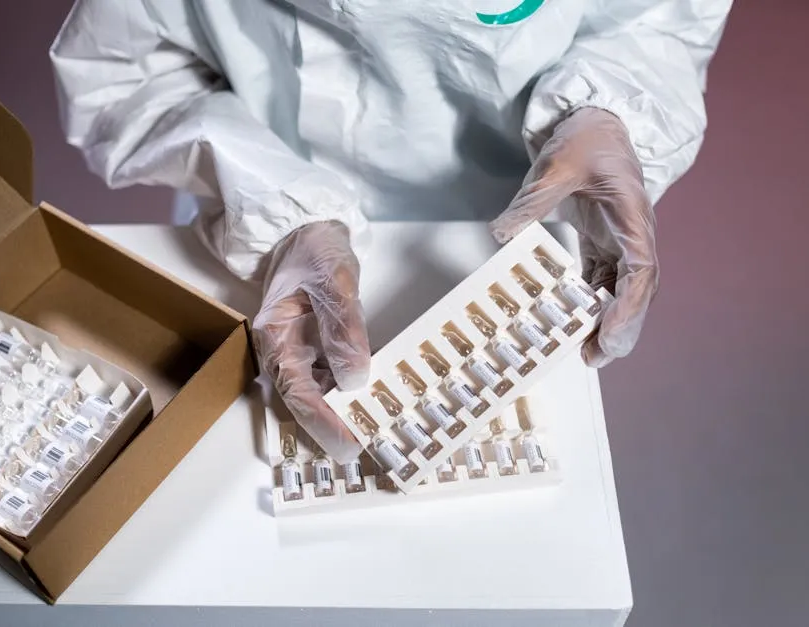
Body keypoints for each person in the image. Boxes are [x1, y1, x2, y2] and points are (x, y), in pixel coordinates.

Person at [51, 1, 732, 463]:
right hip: (251, 205)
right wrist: (275, 206)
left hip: (509, 226)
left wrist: (608, 110)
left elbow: (659, 17)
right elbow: (122, 74)